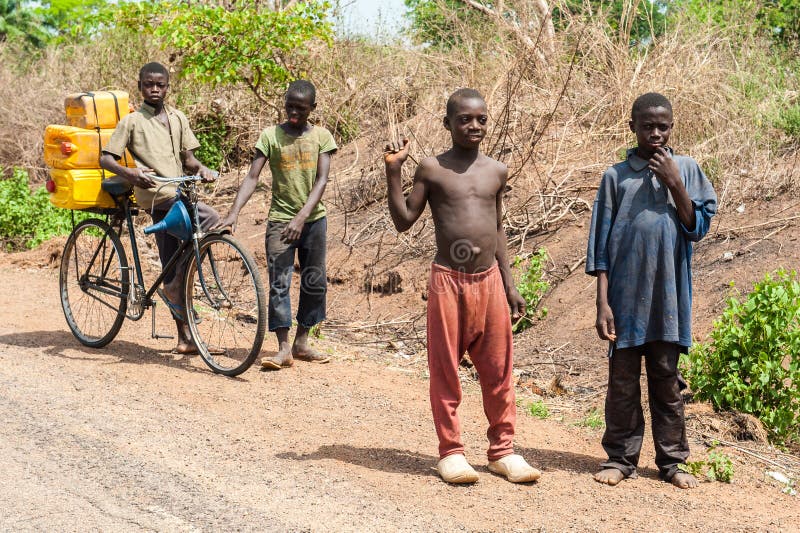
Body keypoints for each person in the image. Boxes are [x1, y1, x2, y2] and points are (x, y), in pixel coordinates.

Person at [383, 88, 541, 484]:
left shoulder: (497, 171)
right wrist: (393, 172)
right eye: (464, 119)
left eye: (481, 119)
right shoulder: (432, 169)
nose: (474, 126)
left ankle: (503, 451)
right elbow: (404, 221)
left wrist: (509, 283)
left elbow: (498, 228)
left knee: (499, 369)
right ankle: (451, 452)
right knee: (445, 369)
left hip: (489, 282)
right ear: (447, 123)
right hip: (448, 282)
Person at [585, 92, 717, 489]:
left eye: (662, 127)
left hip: (668, 298)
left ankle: (672, 462)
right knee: (622, 382)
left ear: (672, 127)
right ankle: (620, 458)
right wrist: (602, 302)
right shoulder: (616, 176)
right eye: (647, 126)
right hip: (624, 299)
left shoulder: (687, 169)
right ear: (633, 127)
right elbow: (600, 245)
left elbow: (697, 227)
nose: (655, 133)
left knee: (666, 378)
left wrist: (674, 182)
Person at [214, 80, 337, 370]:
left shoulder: (322, 137)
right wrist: (233, 213)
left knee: (314, 282)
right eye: (289, 106)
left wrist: (301, 218)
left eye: (301, 108)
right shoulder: (270, 136)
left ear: (313, 108)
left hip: (313, 221)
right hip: (281, 222)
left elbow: (321, 180)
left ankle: (302, 342)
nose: (294, 112)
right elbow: (252, 177)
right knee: (279, 283)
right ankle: (283, 348)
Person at [100, 61, 220, 356]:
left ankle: (178, 287)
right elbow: (106, 159)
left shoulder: (178, 118)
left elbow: (189, 160)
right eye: (149, 84)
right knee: (179, 252)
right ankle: (183, 329)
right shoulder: (132, 122)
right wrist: (131, 174)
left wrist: (202, 169)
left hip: (180, 192)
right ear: (140, 86)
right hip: (156, 196)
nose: (154, 89)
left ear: (168, 87)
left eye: (160, 84)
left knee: (201, 235)